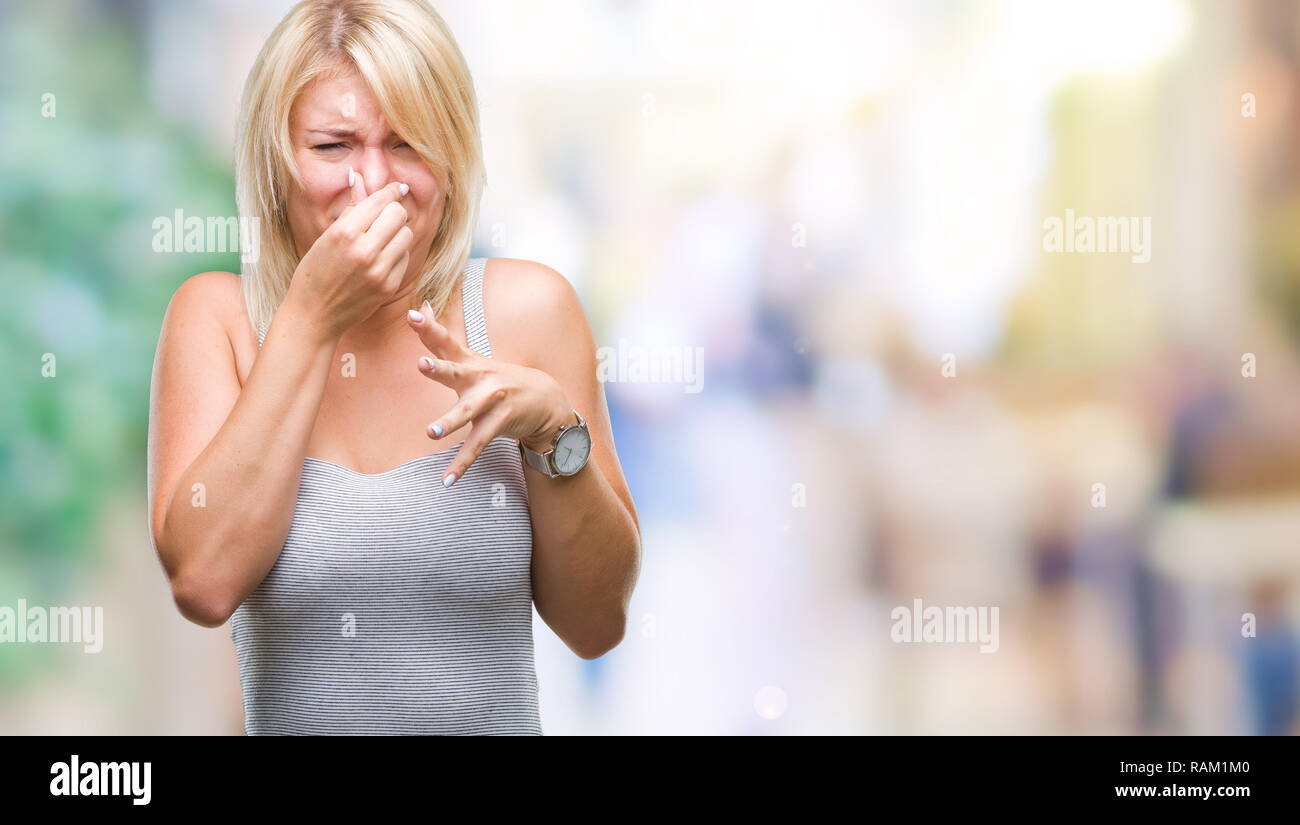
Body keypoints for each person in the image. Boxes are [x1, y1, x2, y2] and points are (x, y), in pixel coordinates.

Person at [145, 0, 641, 734]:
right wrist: (312, 317)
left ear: (451, 158)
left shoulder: (528, 310)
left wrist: (554, 436)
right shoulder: (215, 319)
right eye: (334, 145)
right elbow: (204, 583)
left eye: (407, 143)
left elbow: (597, 625)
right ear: (276, 163)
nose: (374, 182)